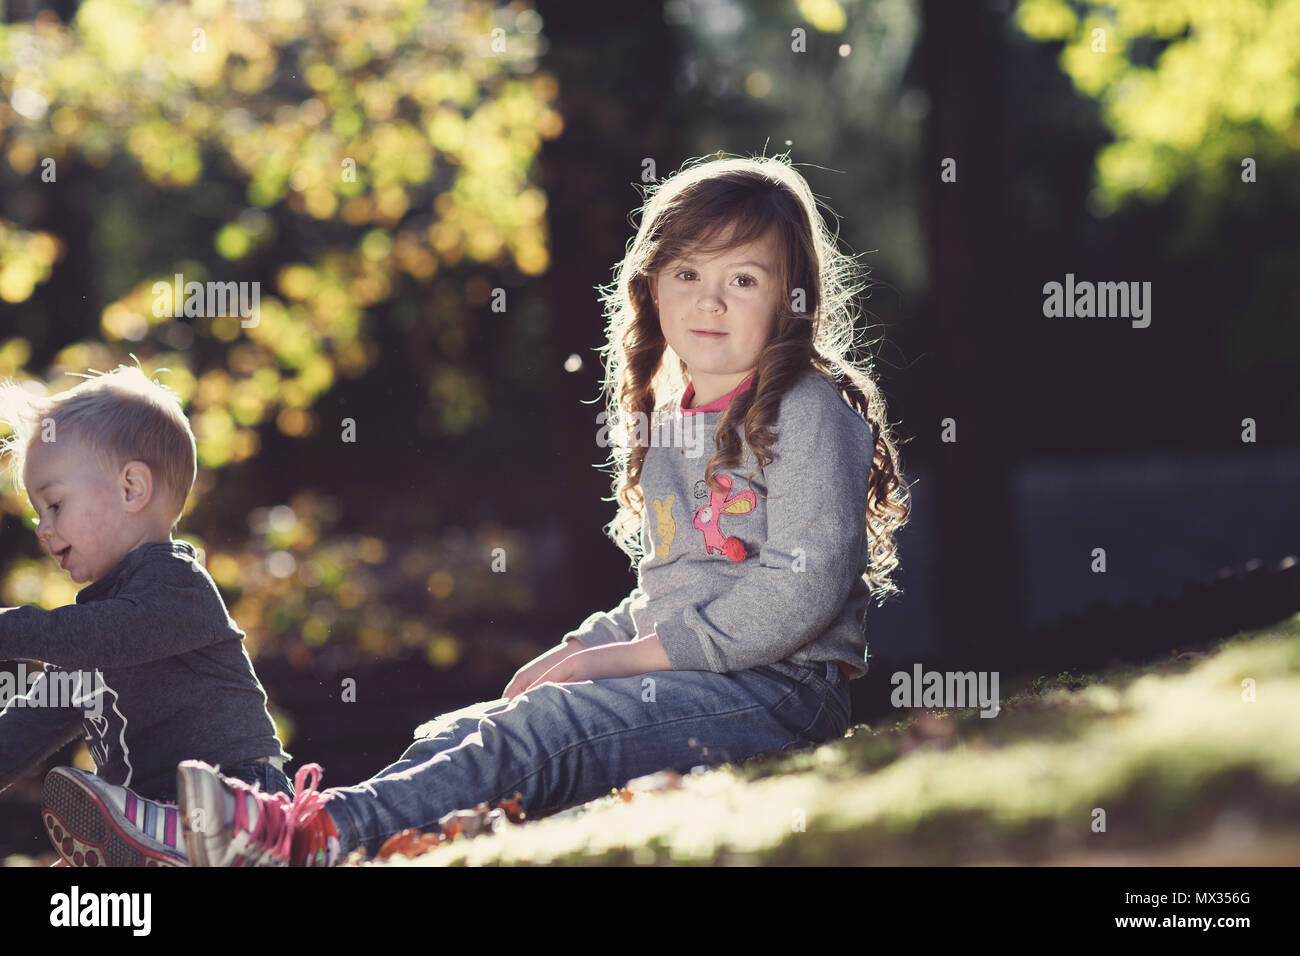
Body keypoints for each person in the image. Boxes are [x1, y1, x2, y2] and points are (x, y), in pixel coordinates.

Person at [115, 151, 910, 867]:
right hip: (707, 682)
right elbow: (673, 591)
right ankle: (267, 829)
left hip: (780, 695)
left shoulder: (806, 410)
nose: (710, 302)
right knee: (463, 729)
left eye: (743, 280)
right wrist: (580, 648)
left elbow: (800, 589)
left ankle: (300, 842)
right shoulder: (674, 425)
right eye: (688, 274)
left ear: (790, 299)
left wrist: (613, 664)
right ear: (652, 287)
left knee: (546, 728)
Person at [0, 364, 292, 866]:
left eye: (54, 505)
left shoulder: (177, 586)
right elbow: (24, 730)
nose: (42, 529)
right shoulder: (94, 628)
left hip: (241, 793)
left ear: (131, 488)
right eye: (36, 514)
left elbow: (104, 638)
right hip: (153, 816)